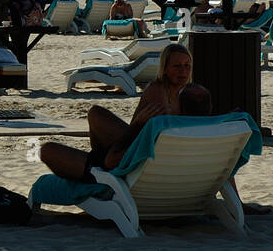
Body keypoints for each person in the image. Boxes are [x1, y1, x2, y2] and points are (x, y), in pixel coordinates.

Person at [38, 45, 205, 179]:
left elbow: (136, 148)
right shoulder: (188, 96)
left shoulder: (159, 91)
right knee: (95, 113)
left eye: (186, 66)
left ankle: (97, 164)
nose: (183, 71)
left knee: (46, 150)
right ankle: (98, 156)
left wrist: (138, 122)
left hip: (126, 161)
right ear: (166, 69)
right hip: (138, 155)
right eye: (177, 66)